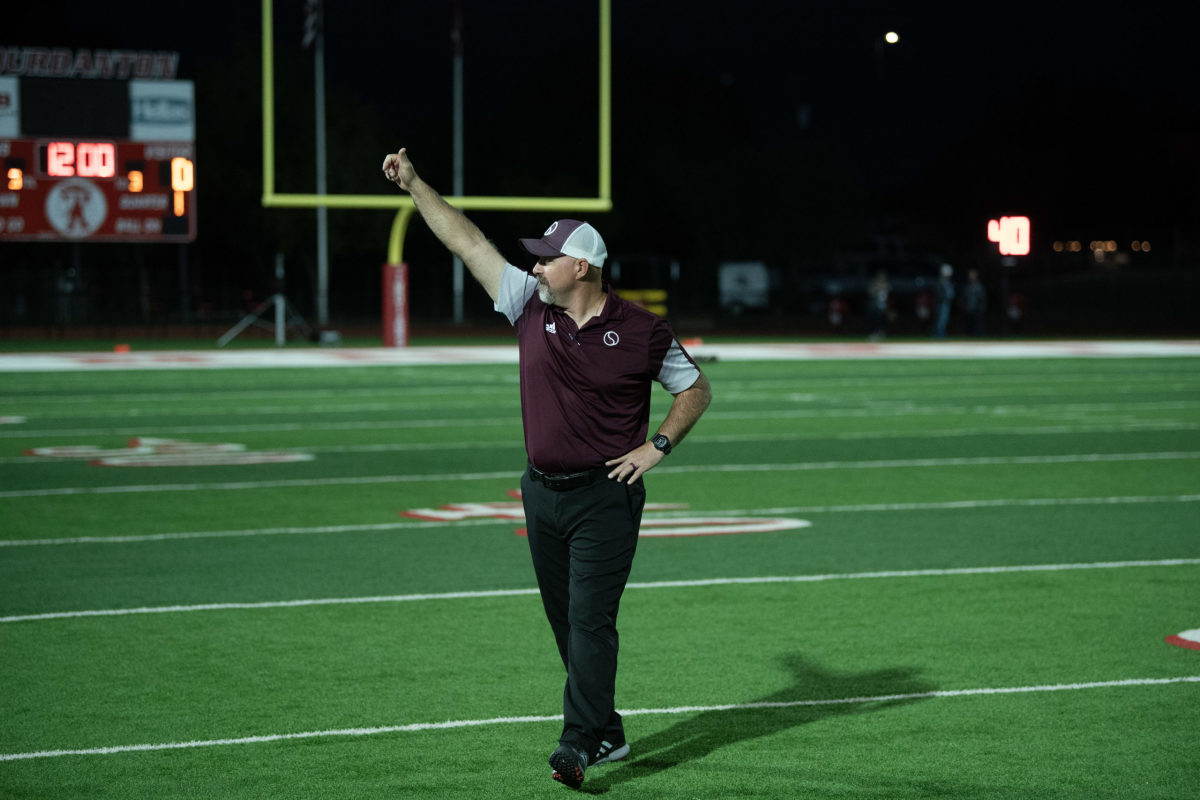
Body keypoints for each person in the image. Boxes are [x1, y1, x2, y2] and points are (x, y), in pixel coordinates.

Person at [382, 148, 712, 790]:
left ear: (581, 266)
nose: (535, 264)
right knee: (567, 622)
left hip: (605, 498)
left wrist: (658, 447)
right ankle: (608, 730)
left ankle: (577, 743)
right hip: (541, 495)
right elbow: (467, 241)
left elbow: (695, 389)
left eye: (548, 256)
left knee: (591, 619)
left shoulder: (642, 330)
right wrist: (415, 185)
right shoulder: (528, 303)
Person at [866, 270, 890, 341]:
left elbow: (888, 294)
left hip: (884, 306)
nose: (881, 277)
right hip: (876, 306)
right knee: (874, 319)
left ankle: (881, 333)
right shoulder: (874, 284)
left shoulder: (886, 284)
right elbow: (871, 293)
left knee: (882, 320)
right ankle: (874, 333)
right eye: (880, 276)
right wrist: (877, 287)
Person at [962, 268, 987, 336]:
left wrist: (981, 307)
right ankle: (969, 335)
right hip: (968, 308)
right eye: (970, 275)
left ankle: (979, 335)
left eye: (972, 275)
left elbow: (982, 297)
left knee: (978, 324)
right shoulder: (967, 286)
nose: (971, 276)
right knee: (968, 324)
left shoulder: (979, 286)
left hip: (977, 308)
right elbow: (964, 297)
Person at [933, 263, 955, 338]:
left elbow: (951, 292)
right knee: (941, 320)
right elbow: (939, 293)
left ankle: (941, 333)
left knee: (945, 319)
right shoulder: (940, 282)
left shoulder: (949, 283)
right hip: (942, 303)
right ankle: (938, 334)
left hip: (947, 303)